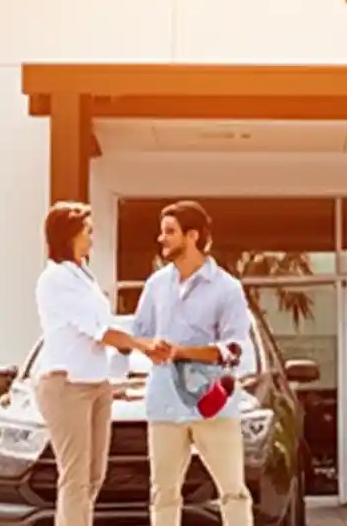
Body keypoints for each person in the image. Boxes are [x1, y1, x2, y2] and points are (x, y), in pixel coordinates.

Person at [34, 201, 169, 526]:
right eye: (87, 231)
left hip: (96, 384)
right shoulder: (55, 280)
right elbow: (100, 330)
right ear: (69, 235)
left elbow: (105, 327)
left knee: (94, 476)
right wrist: (142, 345)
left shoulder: (83, 276)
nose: (92, 238)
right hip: (66, 386)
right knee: (76, 478)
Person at [130, 200, 254, 526]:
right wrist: (149, 346)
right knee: (164, 494)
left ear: (193, 236)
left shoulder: (227, 288)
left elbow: (235, 349)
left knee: (233, 492)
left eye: (169, 232)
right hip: (164, 404)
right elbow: (138, 334)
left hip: (212, 403)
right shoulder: (156, 284)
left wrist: (183, 352)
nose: (162, 239)